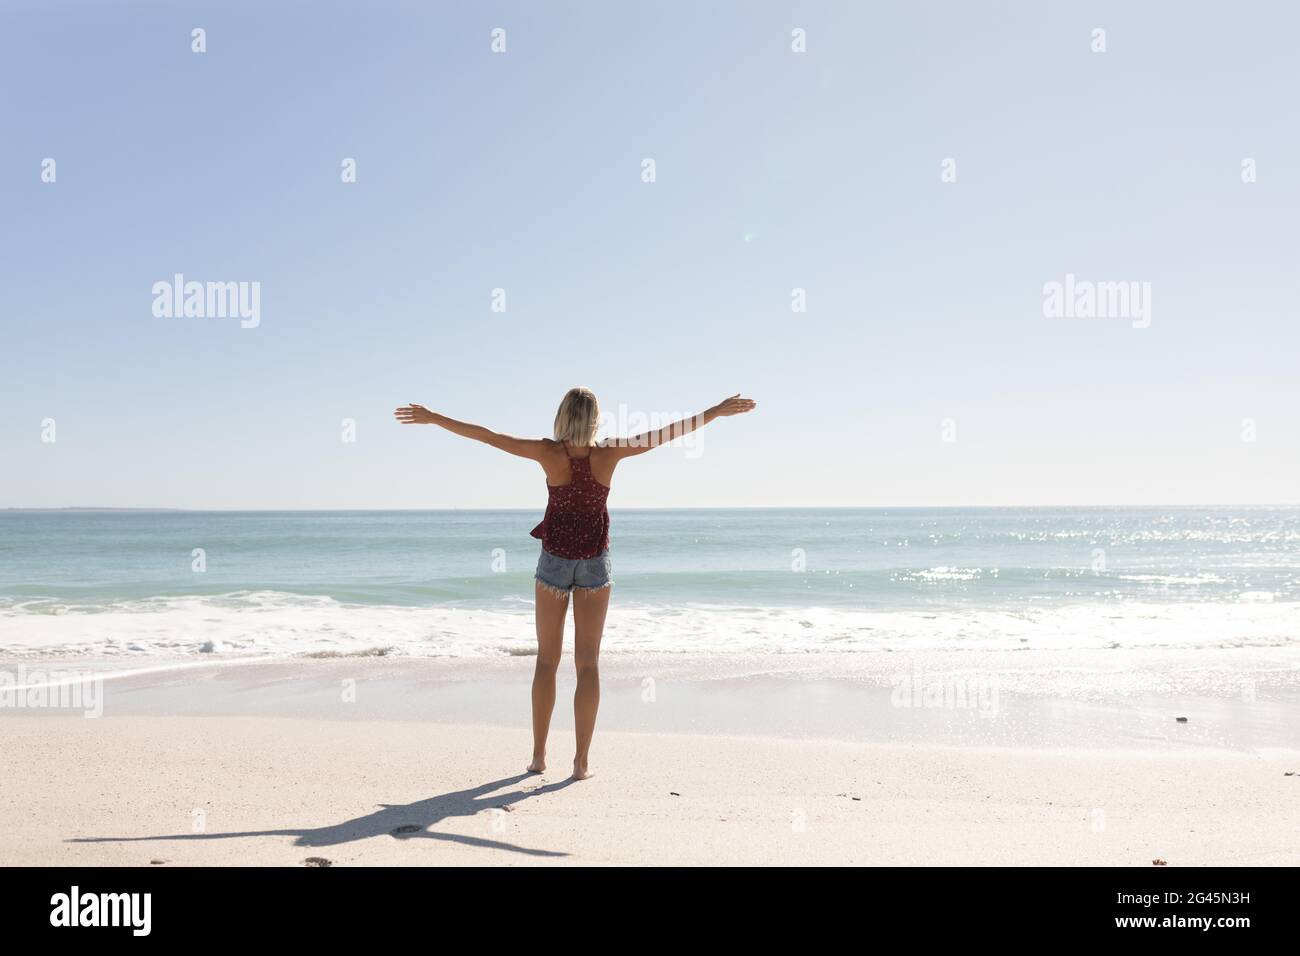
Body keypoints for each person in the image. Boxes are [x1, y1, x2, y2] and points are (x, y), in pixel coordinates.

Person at [395, 388, 756, 779]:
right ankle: (581, 763)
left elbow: (489, 436)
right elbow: (666, 433)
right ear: (595, 419)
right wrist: (714, 412)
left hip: (554, 563)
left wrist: (435, 417)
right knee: (587, 663)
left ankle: (538, 757)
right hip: (594, 566)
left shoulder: (549, 453)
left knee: (547, 661)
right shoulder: (609, 453)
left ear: (563, 416)